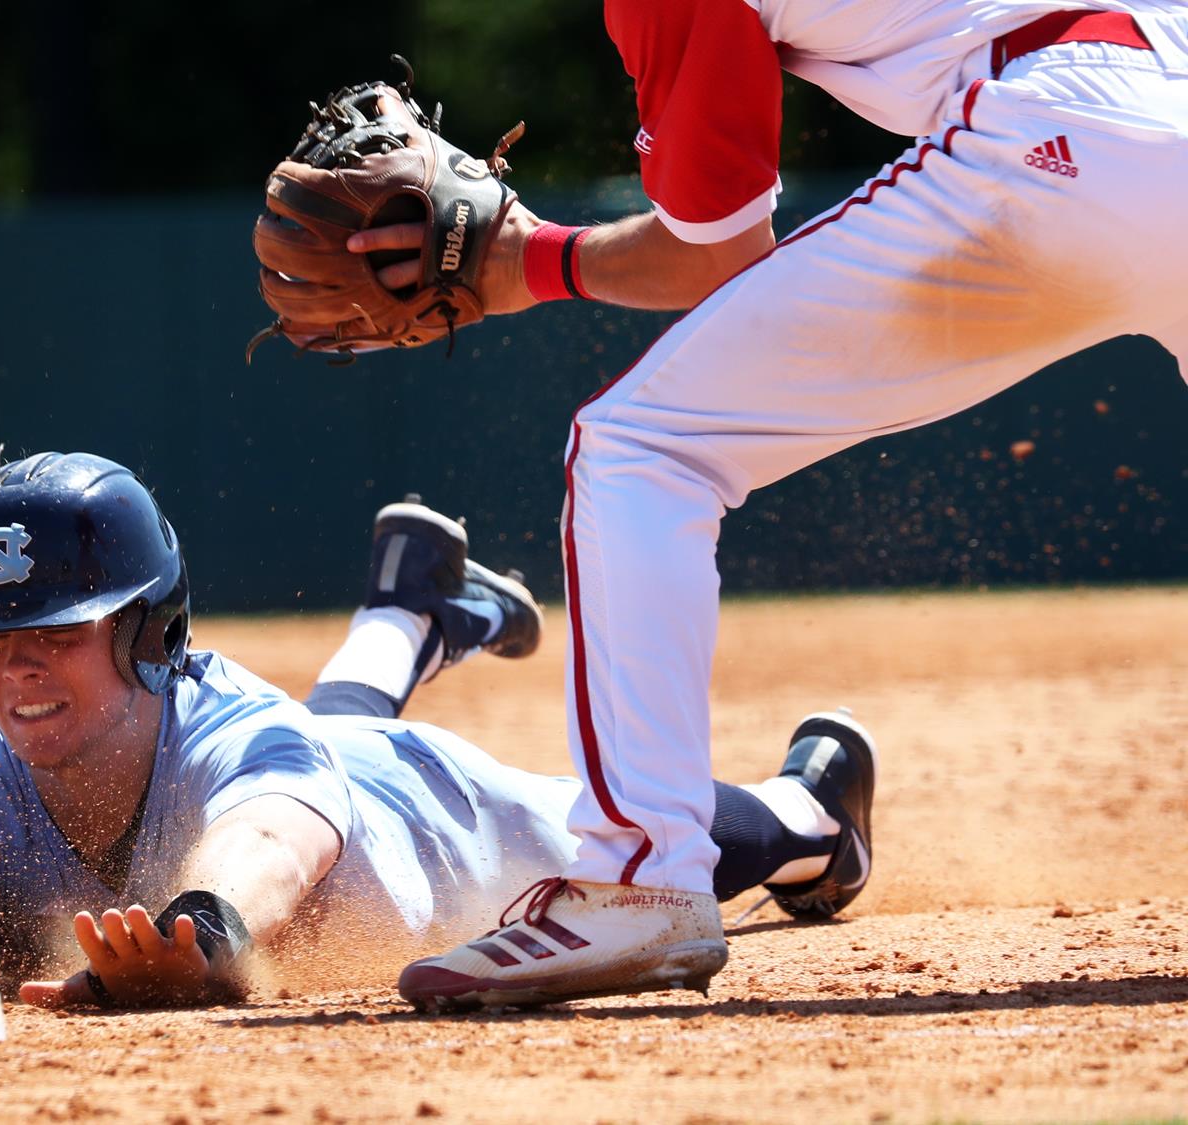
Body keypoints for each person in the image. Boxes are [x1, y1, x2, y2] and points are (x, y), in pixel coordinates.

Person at [335, 1, 1188, 1009]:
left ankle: (640, 878)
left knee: (639, 450)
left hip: (1064, 130)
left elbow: (716, 253)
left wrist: (527, 260)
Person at [0, 452, 875, 1010]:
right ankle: (409, 616)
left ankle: (818, 811)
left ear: (149, 632)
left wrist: (204, 934)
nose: (14, 664)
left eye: (54, 629)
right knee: (316, 724)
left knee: (660, 840)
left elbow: (273, 834)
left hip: (424, 809)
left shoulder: (249, 744)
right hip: (314, 743)